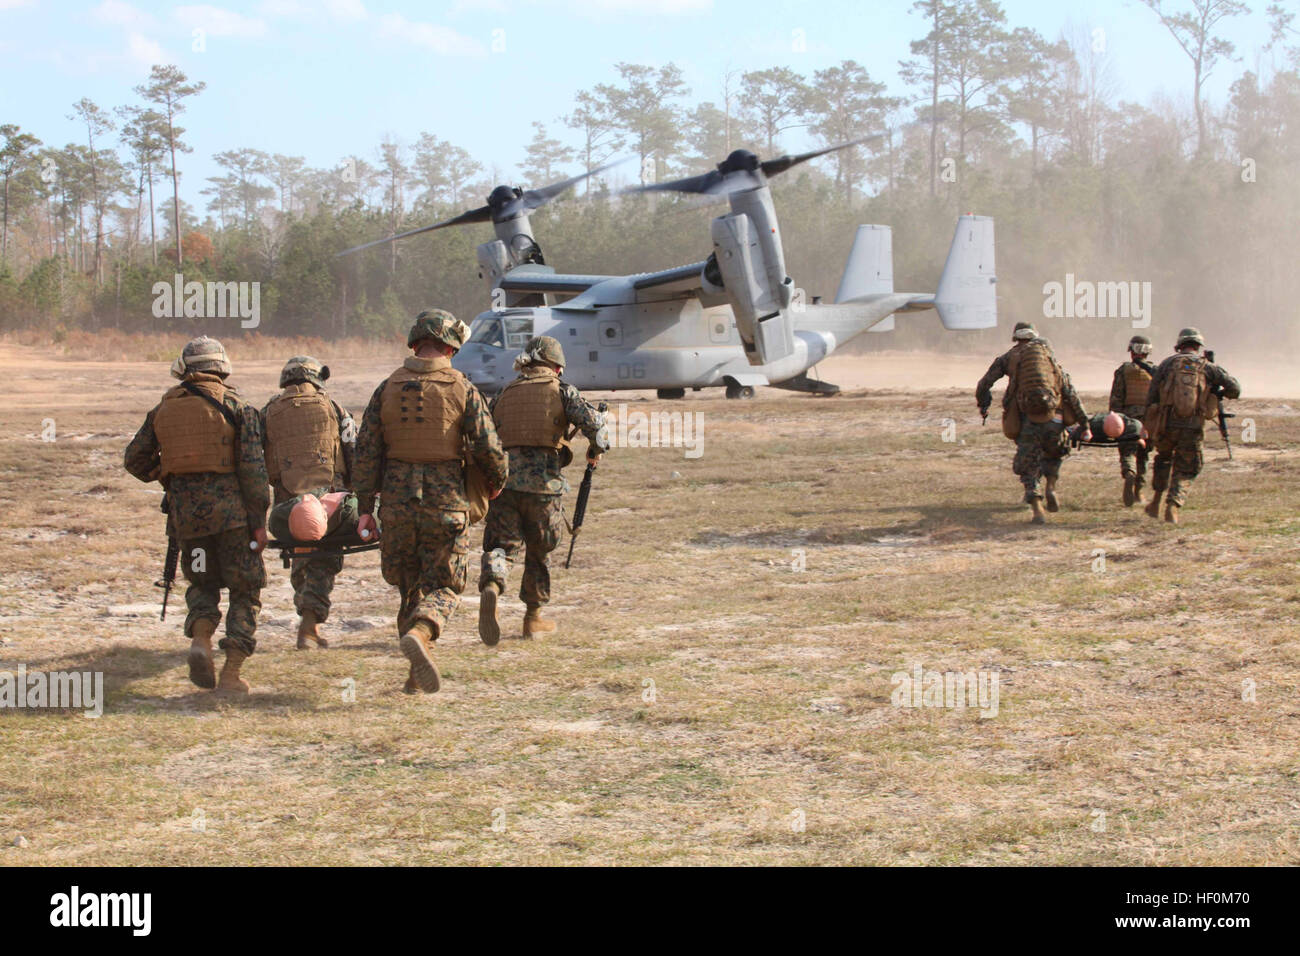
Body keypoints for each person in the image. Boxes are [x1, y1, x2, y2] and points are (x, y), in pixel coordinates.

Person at [352, 310, 508, 694]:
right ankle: (423, 634)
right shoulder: (462, 387)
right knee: (446, 587)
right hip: (446, 504)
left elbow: (366, 453)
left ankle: (413, 673)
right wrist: (497, 482)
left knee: (409, 586)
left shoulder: (387, 387)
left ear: (414, 342)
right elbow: (490, 447)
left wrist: (365, 510)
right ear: (451, 346)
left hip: (396, 505)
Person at [124, 336, 269, 695]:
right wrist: (259, 520)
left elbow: (135, 460)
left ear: (186, 369)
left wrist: (170, 477)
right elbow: (253, 471)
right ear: (221, 367)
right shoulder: (238, 406)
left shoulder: (164, 408)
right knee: (245, 589)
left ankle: (201, 640)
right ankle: (232, 674)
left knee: (202, 582)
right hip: (234, 522)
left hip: (188, 523)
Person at [477, 335, 610, 642]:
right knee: (539, 551)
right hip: (543, 488)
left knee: (502, 545)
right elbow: (598, 429)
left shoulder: (504, 393)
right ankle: (533, 619)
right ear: (556, 367)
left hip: (504, 485)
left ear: (527, 364)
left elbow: (485, 436)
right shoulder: (562, 391)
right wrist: (596, 448)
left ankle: (492, 586)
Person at [261, 355, 356, 649]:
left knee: (302, 556)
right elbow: (354, 451)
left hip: (288, 506)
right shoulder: (335, 408)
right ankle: (309, 625)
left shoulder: (267, 412)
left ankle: (308, 624)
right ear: (317, 379)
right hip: (331, 502)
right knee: (324, 561)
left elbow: (256, 460)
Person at [1143, 327, 1241, 524]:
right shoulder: (1208, 367)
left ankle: (1155, 502)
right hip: (1192, 426)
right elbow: (1235, 389)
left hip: (1166, 424)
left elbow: (1151, 396)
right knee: (1187, 467)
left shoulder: (1167, 364)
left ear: (1179, 345)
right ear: (1198, 346)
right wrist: (1217, 394)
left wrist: (1149, 424)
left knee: (1163, 459)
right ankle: (1173, 505)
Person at [998, 336, 1091, 523]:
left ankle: (1037, 508)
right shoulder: (1057, 372)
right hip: (1055, 424)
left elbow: (1008, 399)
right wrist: (1085, 424)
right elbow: (1073, 397)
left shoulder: (1019, 374)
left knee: (1028, 467)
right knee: (1055, 454)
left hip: (1029, 425)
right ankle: (1051, 487)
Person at [1108, 335, 1156, 506]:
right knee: (1143, 454)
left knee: (1128, 450)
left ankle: (1129, 472)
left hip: (1127, 418)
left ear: (1131, 352)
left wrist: (1114, 418)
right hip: (1148, 419)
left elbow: (1116, 398)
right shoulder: (1155, 371)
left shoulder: (1122, 371)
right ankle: (1139, 491)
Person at [975, 321, 1038, 422]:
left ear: (1015, 337)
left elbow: (984, 384)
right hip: (1049, 408)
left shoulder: (1008, 358)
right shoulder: (1046, 355)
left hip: (1021, 412)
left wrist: (984, 407)